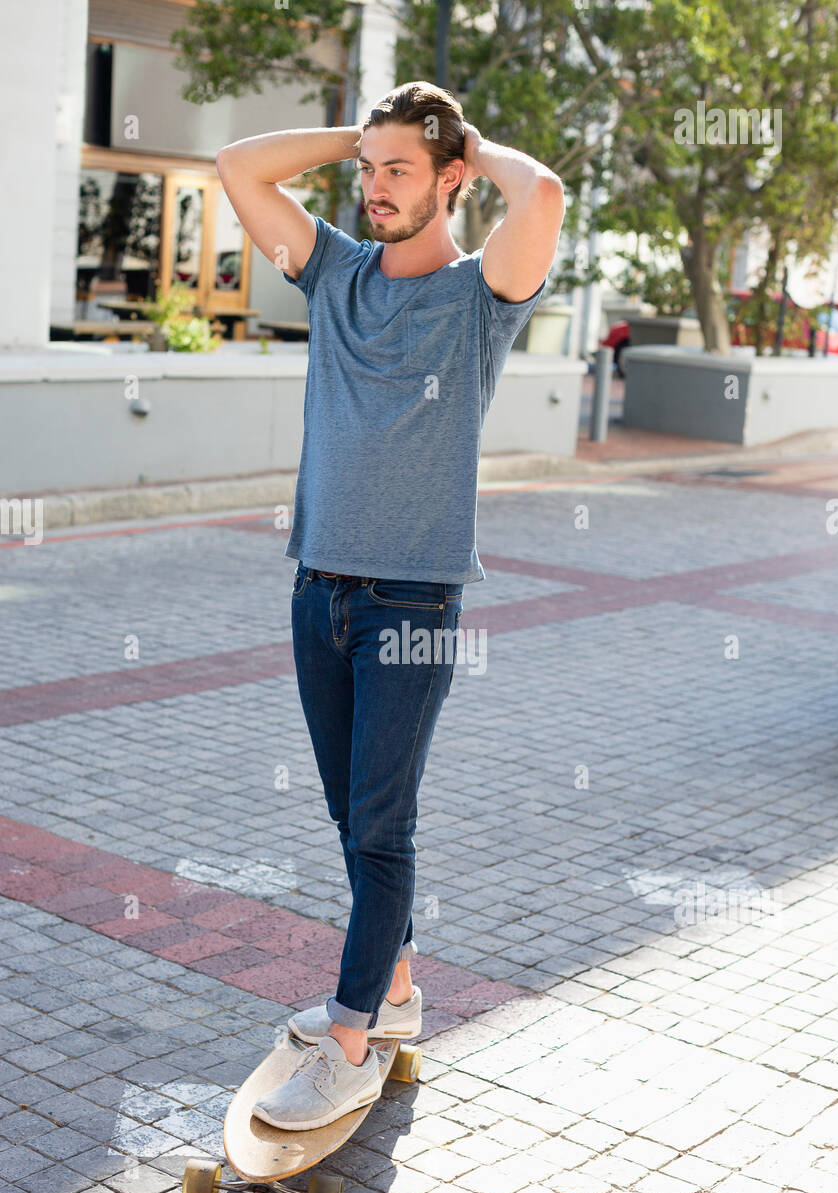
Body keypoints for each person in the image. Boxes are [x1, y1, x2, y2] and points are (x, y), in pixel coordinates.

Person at [216, 81, 564, 1130]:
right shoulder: (332, 272)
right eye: (366, 171)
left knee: (379, 826)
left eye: (397, 171)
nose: (373, 187)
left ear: (450, 176)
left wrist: (462, 137)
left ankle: (353, 1035)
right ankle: (398, 990)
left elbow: (540, 193)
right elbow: (239, 166)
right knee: (349, 817)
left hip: (409, 599)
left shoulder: (477, 298)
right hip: (315, 585)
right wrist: (371, 135)